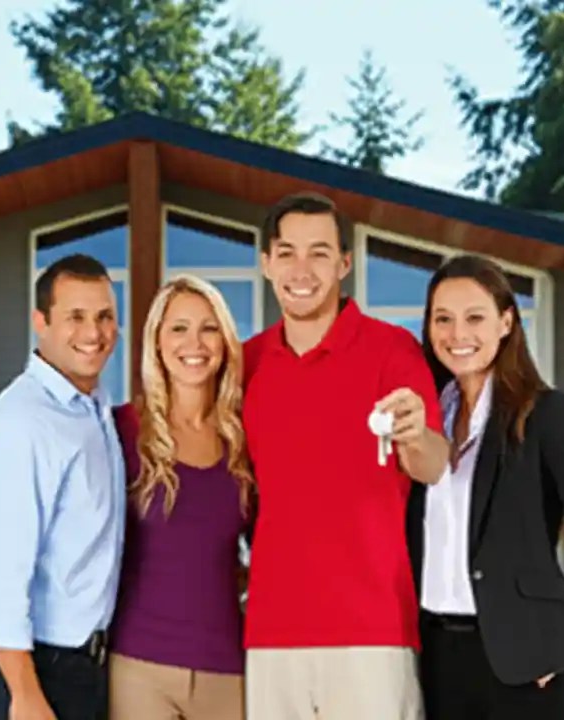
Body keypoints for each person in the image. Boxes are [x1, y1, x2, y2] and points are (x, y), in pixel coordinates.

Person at [241, 190, 450, 719]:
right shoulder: (247, 363)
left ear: (344, 263)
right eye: (286, 252)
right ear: (266, 263)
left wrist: (414, 432)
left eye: (319, 252)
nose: (301, 268)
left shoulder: (392, 349)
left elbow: (432, 462)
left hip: (373, 631)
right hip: (270, 633)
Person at [408, 254, 564, 720]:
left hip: (522, 657)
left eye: (474, 317)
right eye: (442, 319)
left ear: (506, 322)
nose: (456, 334)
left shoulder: (545, 414)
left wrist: (557, 633)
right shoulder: (424, 419)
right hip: (438, 654)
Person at [0, 253, 126, 720]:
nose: (93, 333)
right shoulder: (22, 423)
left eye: (104, 317)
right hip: (30, 671)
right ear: (41, 321)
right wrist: (26, 695)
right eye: (75, 317)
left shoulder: (90, 410)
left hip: (81, 666)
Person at [106, 274, 255, 720]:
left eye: (209, 328)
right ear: (156, 341)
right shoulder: (122, 432)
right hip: (137, 665)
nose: (195, 342)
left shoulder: (245, 442)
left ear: (226, 341)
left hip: (226, 668)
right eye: (179, 328)